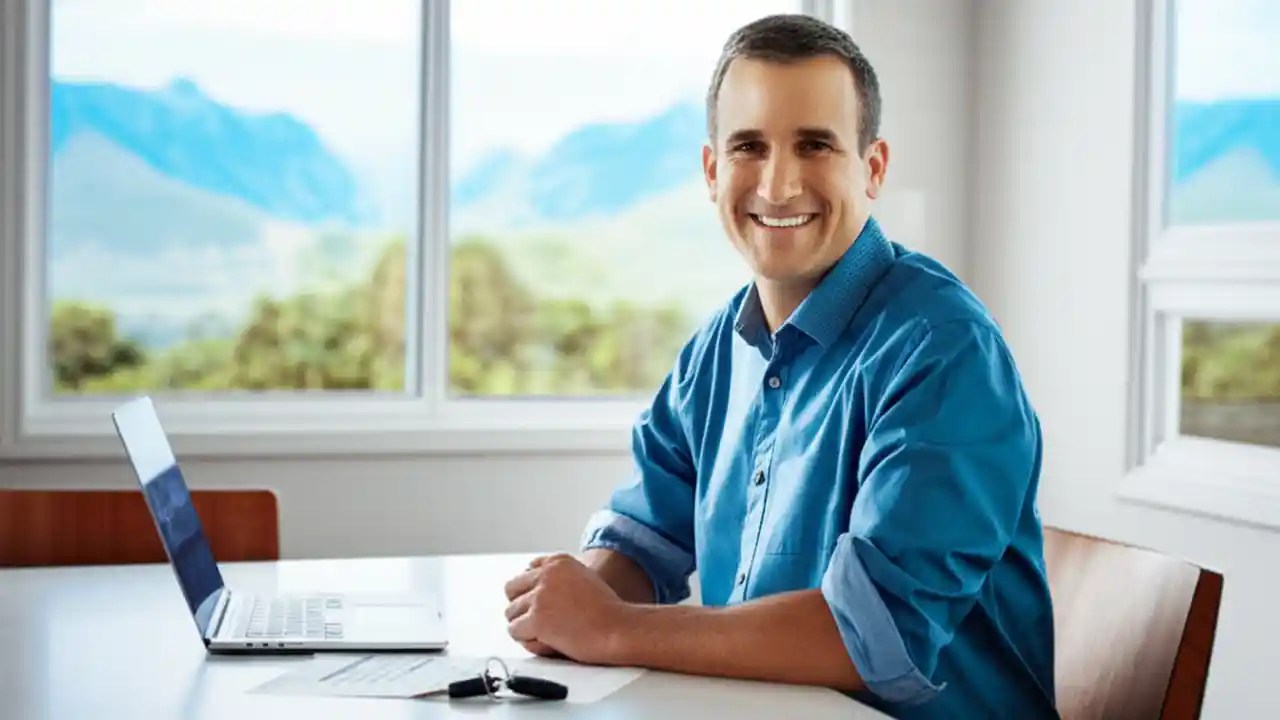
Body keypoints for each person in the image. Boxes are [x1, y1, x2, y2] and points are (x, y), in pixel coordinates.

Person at [502, 13, 1057, 719]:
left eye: (815, 145)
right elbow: (645, 539)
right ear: (712, 171)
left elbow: (872, 634)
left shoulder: (945, 352)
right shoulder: (715, 351)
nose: (778, 182)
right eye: (749, 147)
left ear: (873, 168)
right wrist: (576, 602)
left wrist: (610, 627)